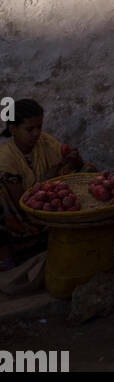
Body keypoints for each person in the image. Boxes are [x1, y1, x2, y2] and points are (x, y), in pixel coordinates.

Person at [0, 99, 86, 265]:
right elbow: (22, 202)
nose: (36, 133)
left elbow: (76, 164)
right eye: (29, 129)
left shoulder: (44, 141)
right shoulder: (5, 157)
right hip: (23, 213)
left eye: (39, 127)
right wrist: (49, 177)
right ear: (13, 130)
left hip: (52, 201)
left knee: (88, 169)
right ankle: (6, 258)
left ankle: (76, 231)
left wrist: (73, 158)